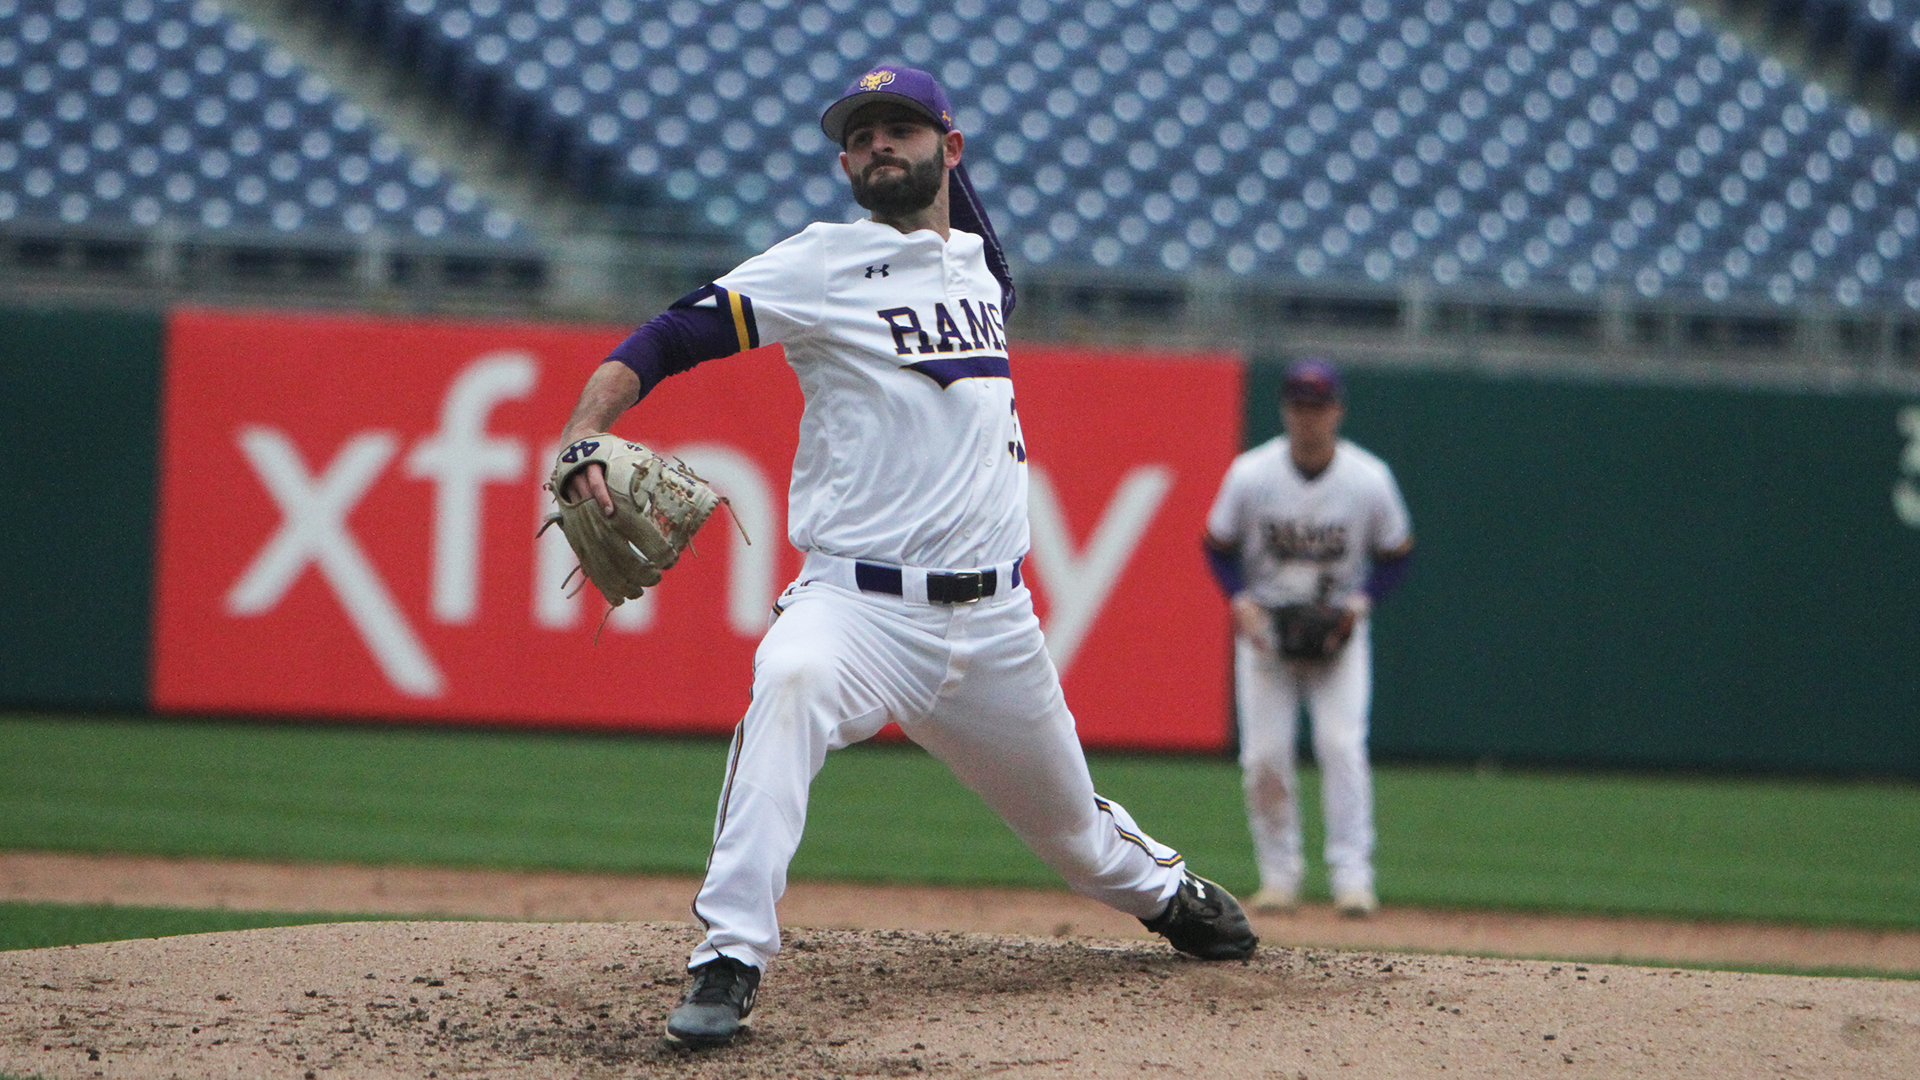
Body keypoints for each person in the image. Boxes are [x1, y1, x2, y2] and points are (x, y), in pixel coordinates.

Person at [554, 64, 1256, 1049]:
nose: (881, 143)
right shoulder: (819, 263)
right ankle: (729, 957)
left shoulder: (980, 270)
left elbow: (964, 228)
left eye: (904, 128)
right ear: (843, 162)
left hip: (996, 621)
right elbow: (673, 333)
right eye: (862, 134)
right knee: (788, 683)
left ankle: (1168, 894)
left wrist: (947, 174)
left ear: (950, 150)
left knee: (1074, 837)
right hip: (859, 609)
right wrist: (586, 428)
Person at [1201, 360, 1414, 918]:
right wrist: (1239, 600)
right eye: (1299, 405)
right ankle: (1279, 877)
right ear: (1285, 411)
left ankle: (1352, 879)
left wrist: (1360, 604)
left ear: (1337, 411)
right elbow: (1217, 546)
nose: (1308, 417)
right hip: (1267, 635)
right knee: (1265, 756)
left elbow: (1396, 555)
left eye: (1318, 406)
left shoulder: (1369, 478)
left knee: (1341, 748)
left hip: (1338, 636)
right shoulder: (1251, 473)